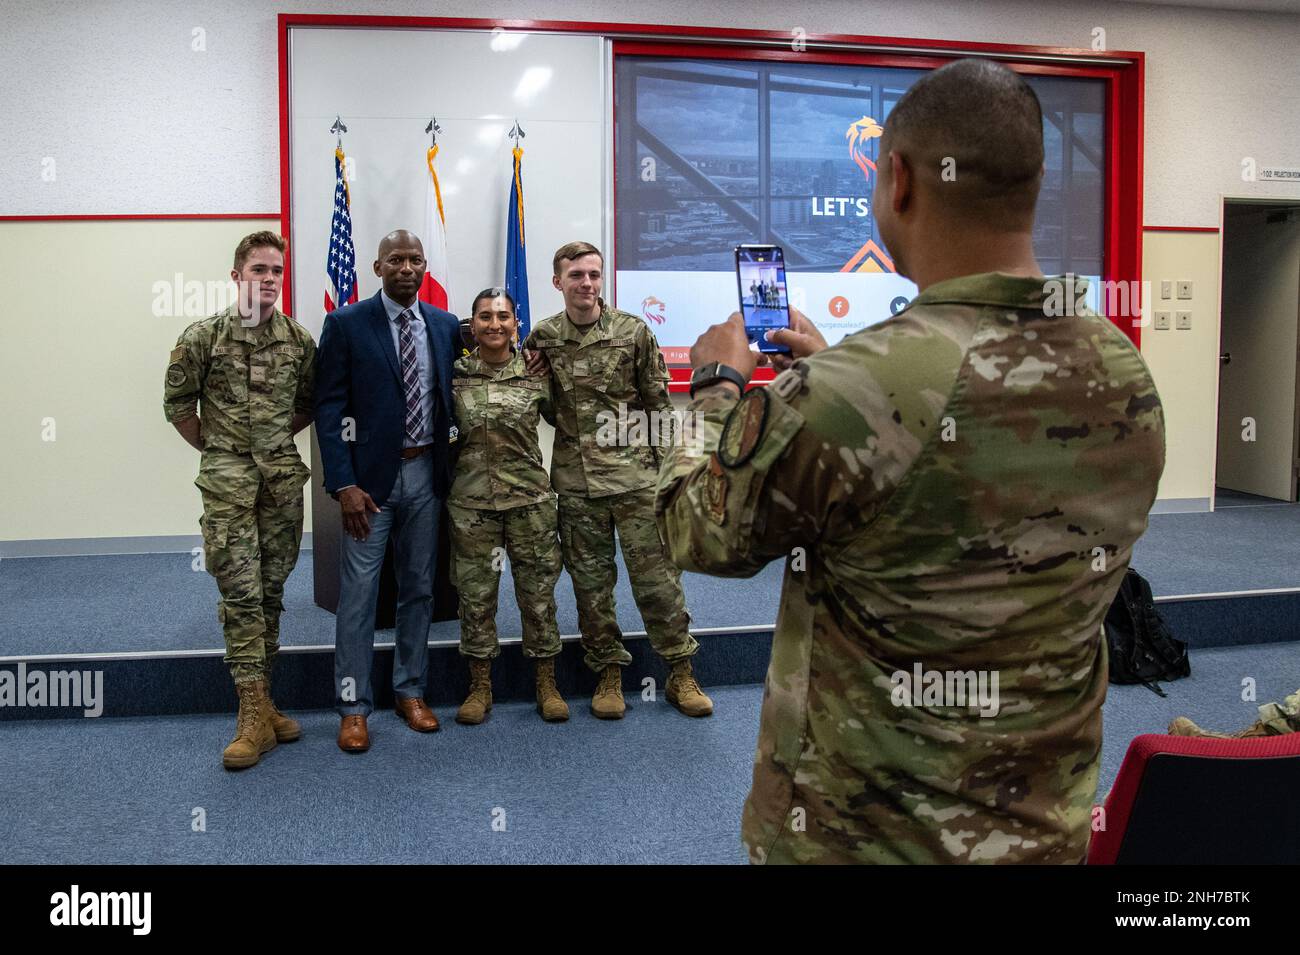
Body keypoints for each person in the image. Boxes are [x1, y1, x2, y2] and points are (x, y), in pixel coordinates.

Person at [656, 58, 1166, 863]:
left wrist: (719, 388)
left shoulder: (852, 391)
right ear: (1032, 184)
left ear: (897, 180)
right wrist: (836, 379)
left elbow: (695, 531)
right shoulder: (1121, 370)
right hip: (1040, 830)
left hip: (863, 837)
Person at [523, 241, 712, 719]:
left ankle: (680, 671)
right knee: (591, 586)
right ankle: (608, 672)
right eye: (576, 275)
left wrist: (671, 478)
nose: (586, 283)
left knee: (658, 582)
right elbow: (544, 411)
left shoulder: (633, 332)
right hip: (577, 485)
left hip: (637, 483)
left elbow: (660, 409)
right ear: (557, 282)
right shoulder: (542, 337)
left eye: (593, 274)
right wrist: (535, 382)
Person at [163, 230, 316, 771]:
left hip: (279, 485)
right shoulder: (202, 337)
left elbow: (308, 404)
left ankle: (266, 704)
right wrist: (221, 450)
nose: (269, 279)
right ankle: (250, 713)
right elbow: (178, 404)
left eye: (276, 271)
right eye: (259, 270)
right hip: (227, 486)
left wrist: (269, 443)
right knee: (240, 595)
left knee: (271, 594)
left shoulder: (298, 341)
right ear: (237, 276)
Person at [314, 229, 460, 753]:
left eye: (414, 259)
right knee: (359, 596)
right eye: (395, 259)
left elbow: (468, 384)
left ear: (425, 268)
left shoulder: (444, 326)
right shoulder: (347, 324)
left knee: (419, 588)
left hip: (427, 476)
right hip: (368, 487)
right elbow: (328, 410)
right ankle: (353, 707)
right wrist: (344, 483)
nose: (405, 267)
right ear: (377, 268)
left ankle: (410, 691)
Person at [449, 288, 568, 724]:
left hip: (530, 502)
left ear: (517, 323)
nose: (494, 324)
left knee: (538, 597)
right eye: (485, 317)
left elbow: (568, 420)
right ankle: (480, 686)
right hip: (472, 503)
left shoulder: (538, 373)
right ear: (472, 324)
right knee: (476, 598)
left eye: (503, 316)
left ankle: (547, 683)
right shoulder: (456, 373)